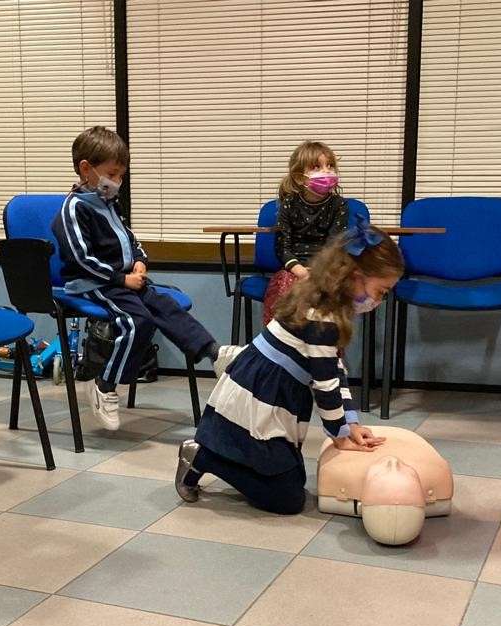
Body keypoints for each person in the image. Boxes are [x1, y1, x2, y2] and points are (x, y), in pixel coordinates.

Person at [175, 221, 402, 514]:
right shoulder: (323, 317)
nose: (379, 301)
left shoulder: (326, 302)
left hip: (273, 390)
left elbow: (335, 369)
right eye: (381, 291)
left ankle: (217, 456)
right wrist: (340, 435)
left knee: (291, 482)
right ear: (356, 277)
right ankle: (202, 457)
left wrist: (351, 422)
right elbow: (325, 386)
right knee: (288, 500)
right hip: (262, 393)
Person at [52, 126, 240, 431]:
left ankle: (214, 353)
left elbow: (130, 239)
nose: (117, 181)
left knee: (165, 306)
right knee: (136, 321)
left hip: (125, 280)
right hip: (94, 283)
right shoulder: (73, 209)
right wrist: (120, 279)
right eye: (111, 174)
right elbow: (80, 259)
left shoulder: (109, 203)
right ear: (86, 169)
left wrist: (140, 261)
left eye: (121, 175)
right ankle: (103, 385)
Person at [261, 140, 349, 326]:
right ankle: (278, 339)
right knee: (283, 289)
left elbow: (335, 245)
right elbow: (282, 246)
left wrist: (319, 272)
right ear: (300, 177)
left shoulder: (338, 205)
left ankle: (326, 342)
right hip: (295, 267)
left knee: (332, 292)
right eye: (317, 167)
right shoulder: (289, 204)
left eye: (330, 165)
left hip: (325, 268)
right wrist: (300, 271)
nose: (326, 171)